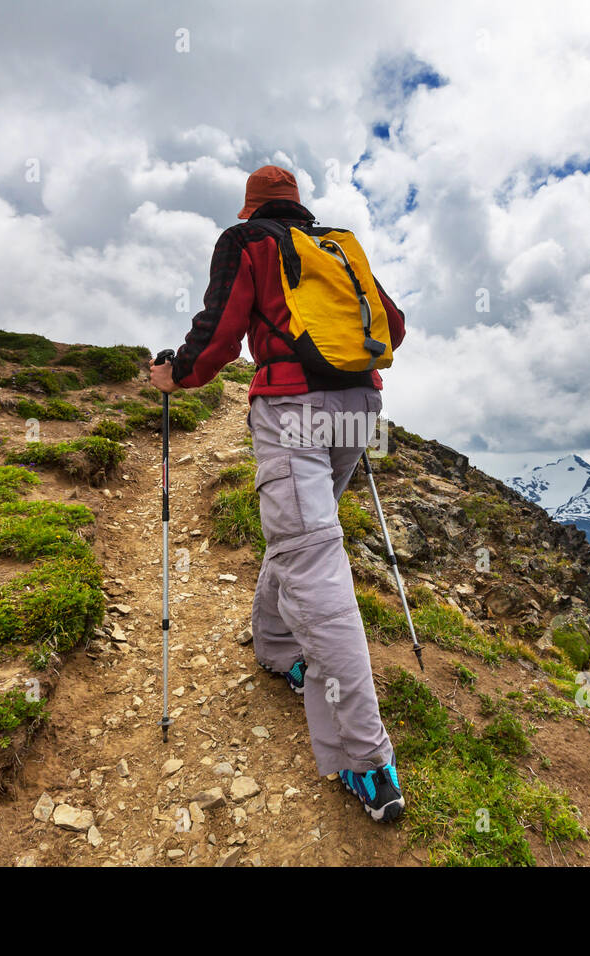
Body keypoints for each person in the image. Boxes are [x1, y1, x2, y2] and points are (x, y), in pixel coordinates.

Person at [148, 164, 407, 822]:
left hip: (292, 406)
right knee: (303, 540)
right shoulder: (336, 246)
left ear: (251, 205)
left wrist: (176, 374)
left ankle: (365, 758)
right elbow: (393, 327)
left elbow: (220, 331)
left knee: (311, 556)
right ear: (298, 203)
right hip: (359, 409)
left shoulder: (246, 242)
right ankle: (277, 646)